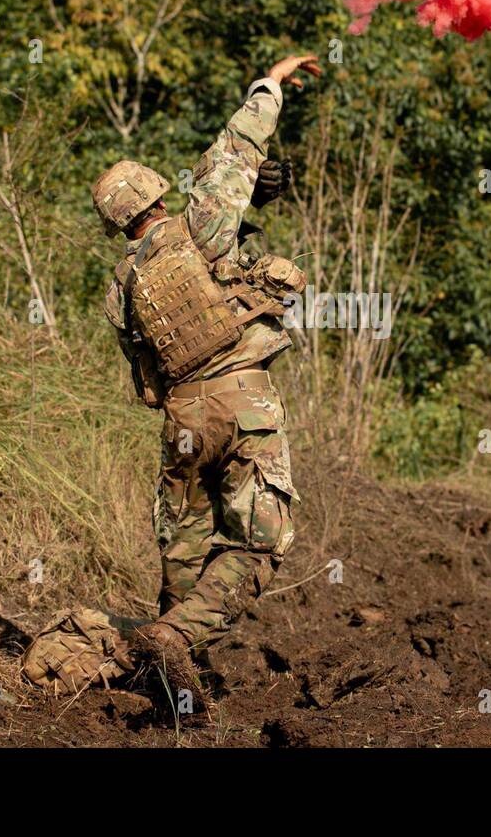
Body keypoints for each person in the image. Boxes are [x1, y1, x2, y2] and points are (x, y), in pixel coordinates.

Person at [91, 54, 321, 711]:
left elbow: (147, 382)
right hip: (244, 401)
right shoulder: (202, 222)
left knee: (184, 546)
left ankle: (166, 684)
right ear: (160, 197)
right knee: (261, 541)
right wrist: (270, 82)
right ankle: (173, 635)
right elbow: (241, 142)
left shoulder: (120, 288)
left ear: (118, 221)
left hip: (182, 420)